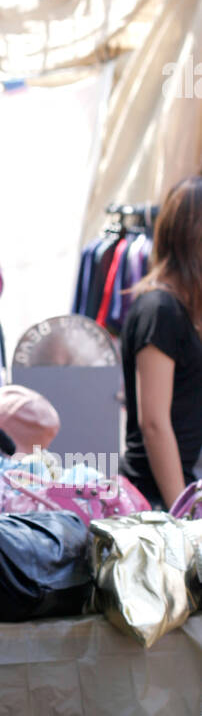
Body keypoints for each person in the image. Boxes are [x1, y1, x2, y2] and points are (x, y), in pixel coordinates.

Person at [119, 177, 202, 509]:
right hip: (155, 498)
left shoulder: (180, 309)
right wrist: (181, 512)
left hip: (175, 490)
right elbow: (153, 423)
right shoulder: (160, 310)